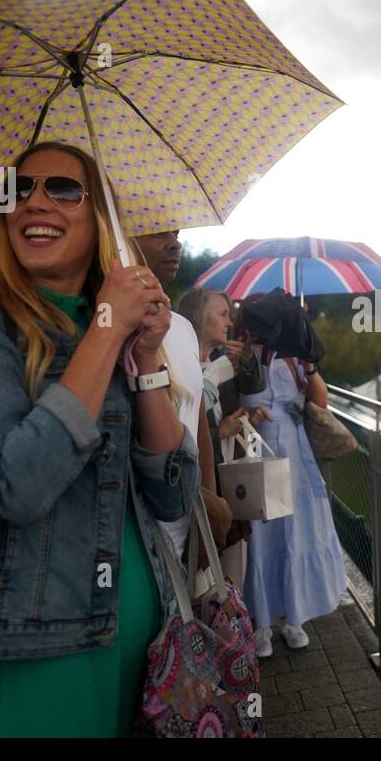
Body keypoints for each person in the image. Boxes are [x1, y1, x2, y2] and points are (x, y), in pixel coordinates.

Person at [0, 141, 222, 737]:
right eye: (17, 190)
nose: (33, 202)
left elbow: (174, 497)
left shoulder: (113, 324)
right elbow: (15, 482)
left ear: (99, 215)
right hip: (31, 652)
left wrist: (146, 359)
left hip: (145, 646)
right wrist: (106, 330)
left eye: (62, 189)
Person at [130, 234, 237, 587]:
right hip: (140, 543)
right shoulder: (111, 325)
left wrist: (209, 500)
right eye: (160, 233)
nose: (175, 244)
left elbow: (199, 424)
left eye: (177, 234)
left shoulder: (182, 327)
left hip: (189, 534)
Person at [241, 349, 348, 658]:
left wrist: (310, 366)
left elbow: (321, 401)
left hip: (296, 454)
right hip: (257, 450)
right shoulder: (245, 356)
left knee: (295, 534)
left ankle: (294, 617)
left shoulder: (292, 356)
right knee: (263, 535)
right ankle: (261, 622)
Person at [178, 286, 270, 586]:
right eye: (223, 314)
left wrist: (246, 362)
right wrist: (221, 432)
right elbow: (181, 431)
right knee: (204, 576)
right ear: (200, 318)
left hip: (231, 479)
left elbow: (254, 385)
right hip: (203, 485)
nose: (230, 322)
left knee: (234, 572)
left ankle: (236, 628)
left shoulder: (222, 358)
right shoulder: (180, 365)